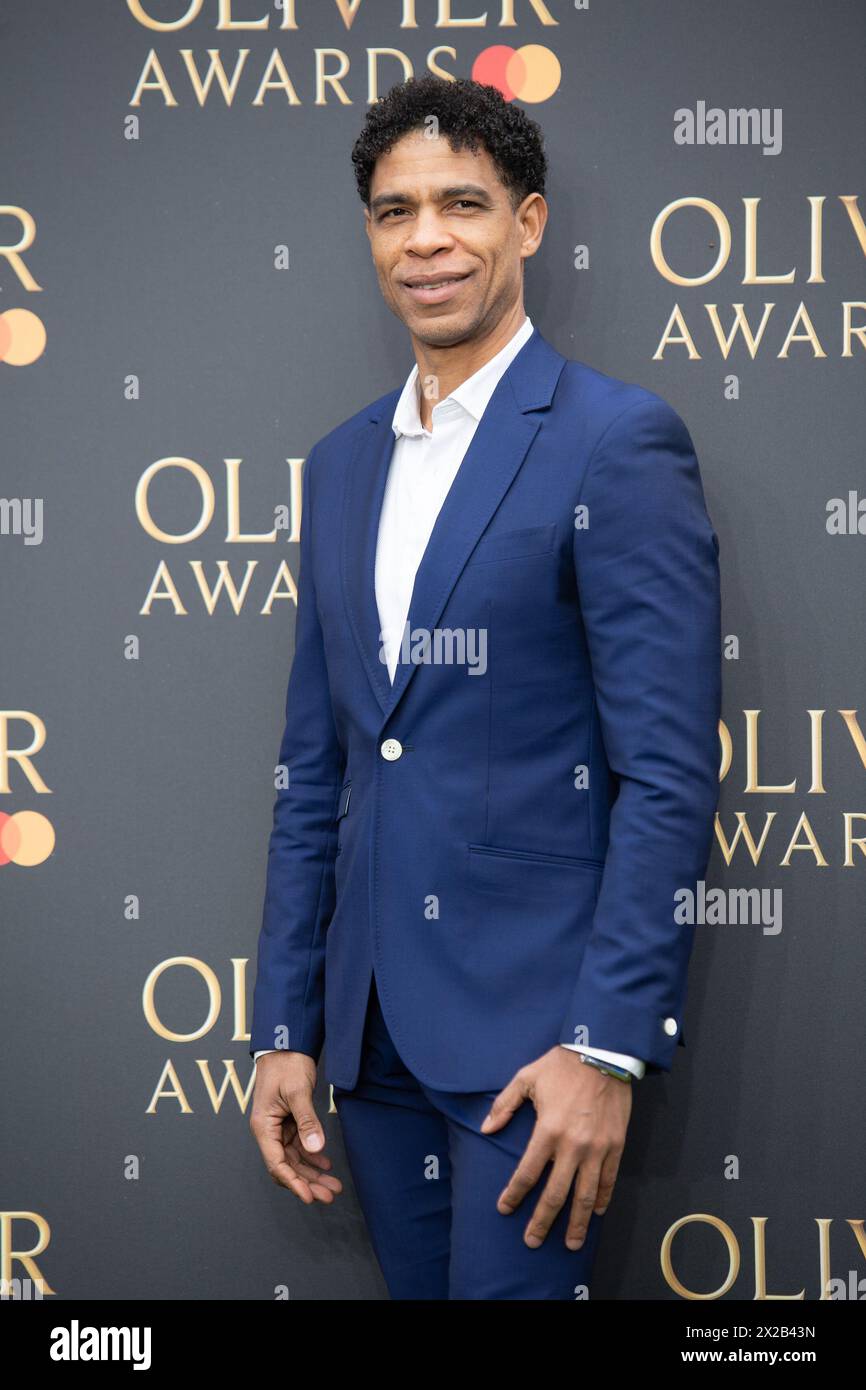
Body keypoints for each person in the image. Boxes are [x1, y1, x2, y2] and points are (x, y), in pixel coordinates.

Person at [249, 75, 721, 1301]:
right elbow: (321, 772)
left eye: (462, 204)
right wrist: (284, 1029)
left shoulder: (614, 442)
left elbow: (664, 771)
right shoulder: (339, 464)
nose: (426, 241)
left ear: (528, 221)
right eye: (393, 211)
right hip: (371, 1039)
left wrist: (604, 1047)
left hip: (535, 1045)